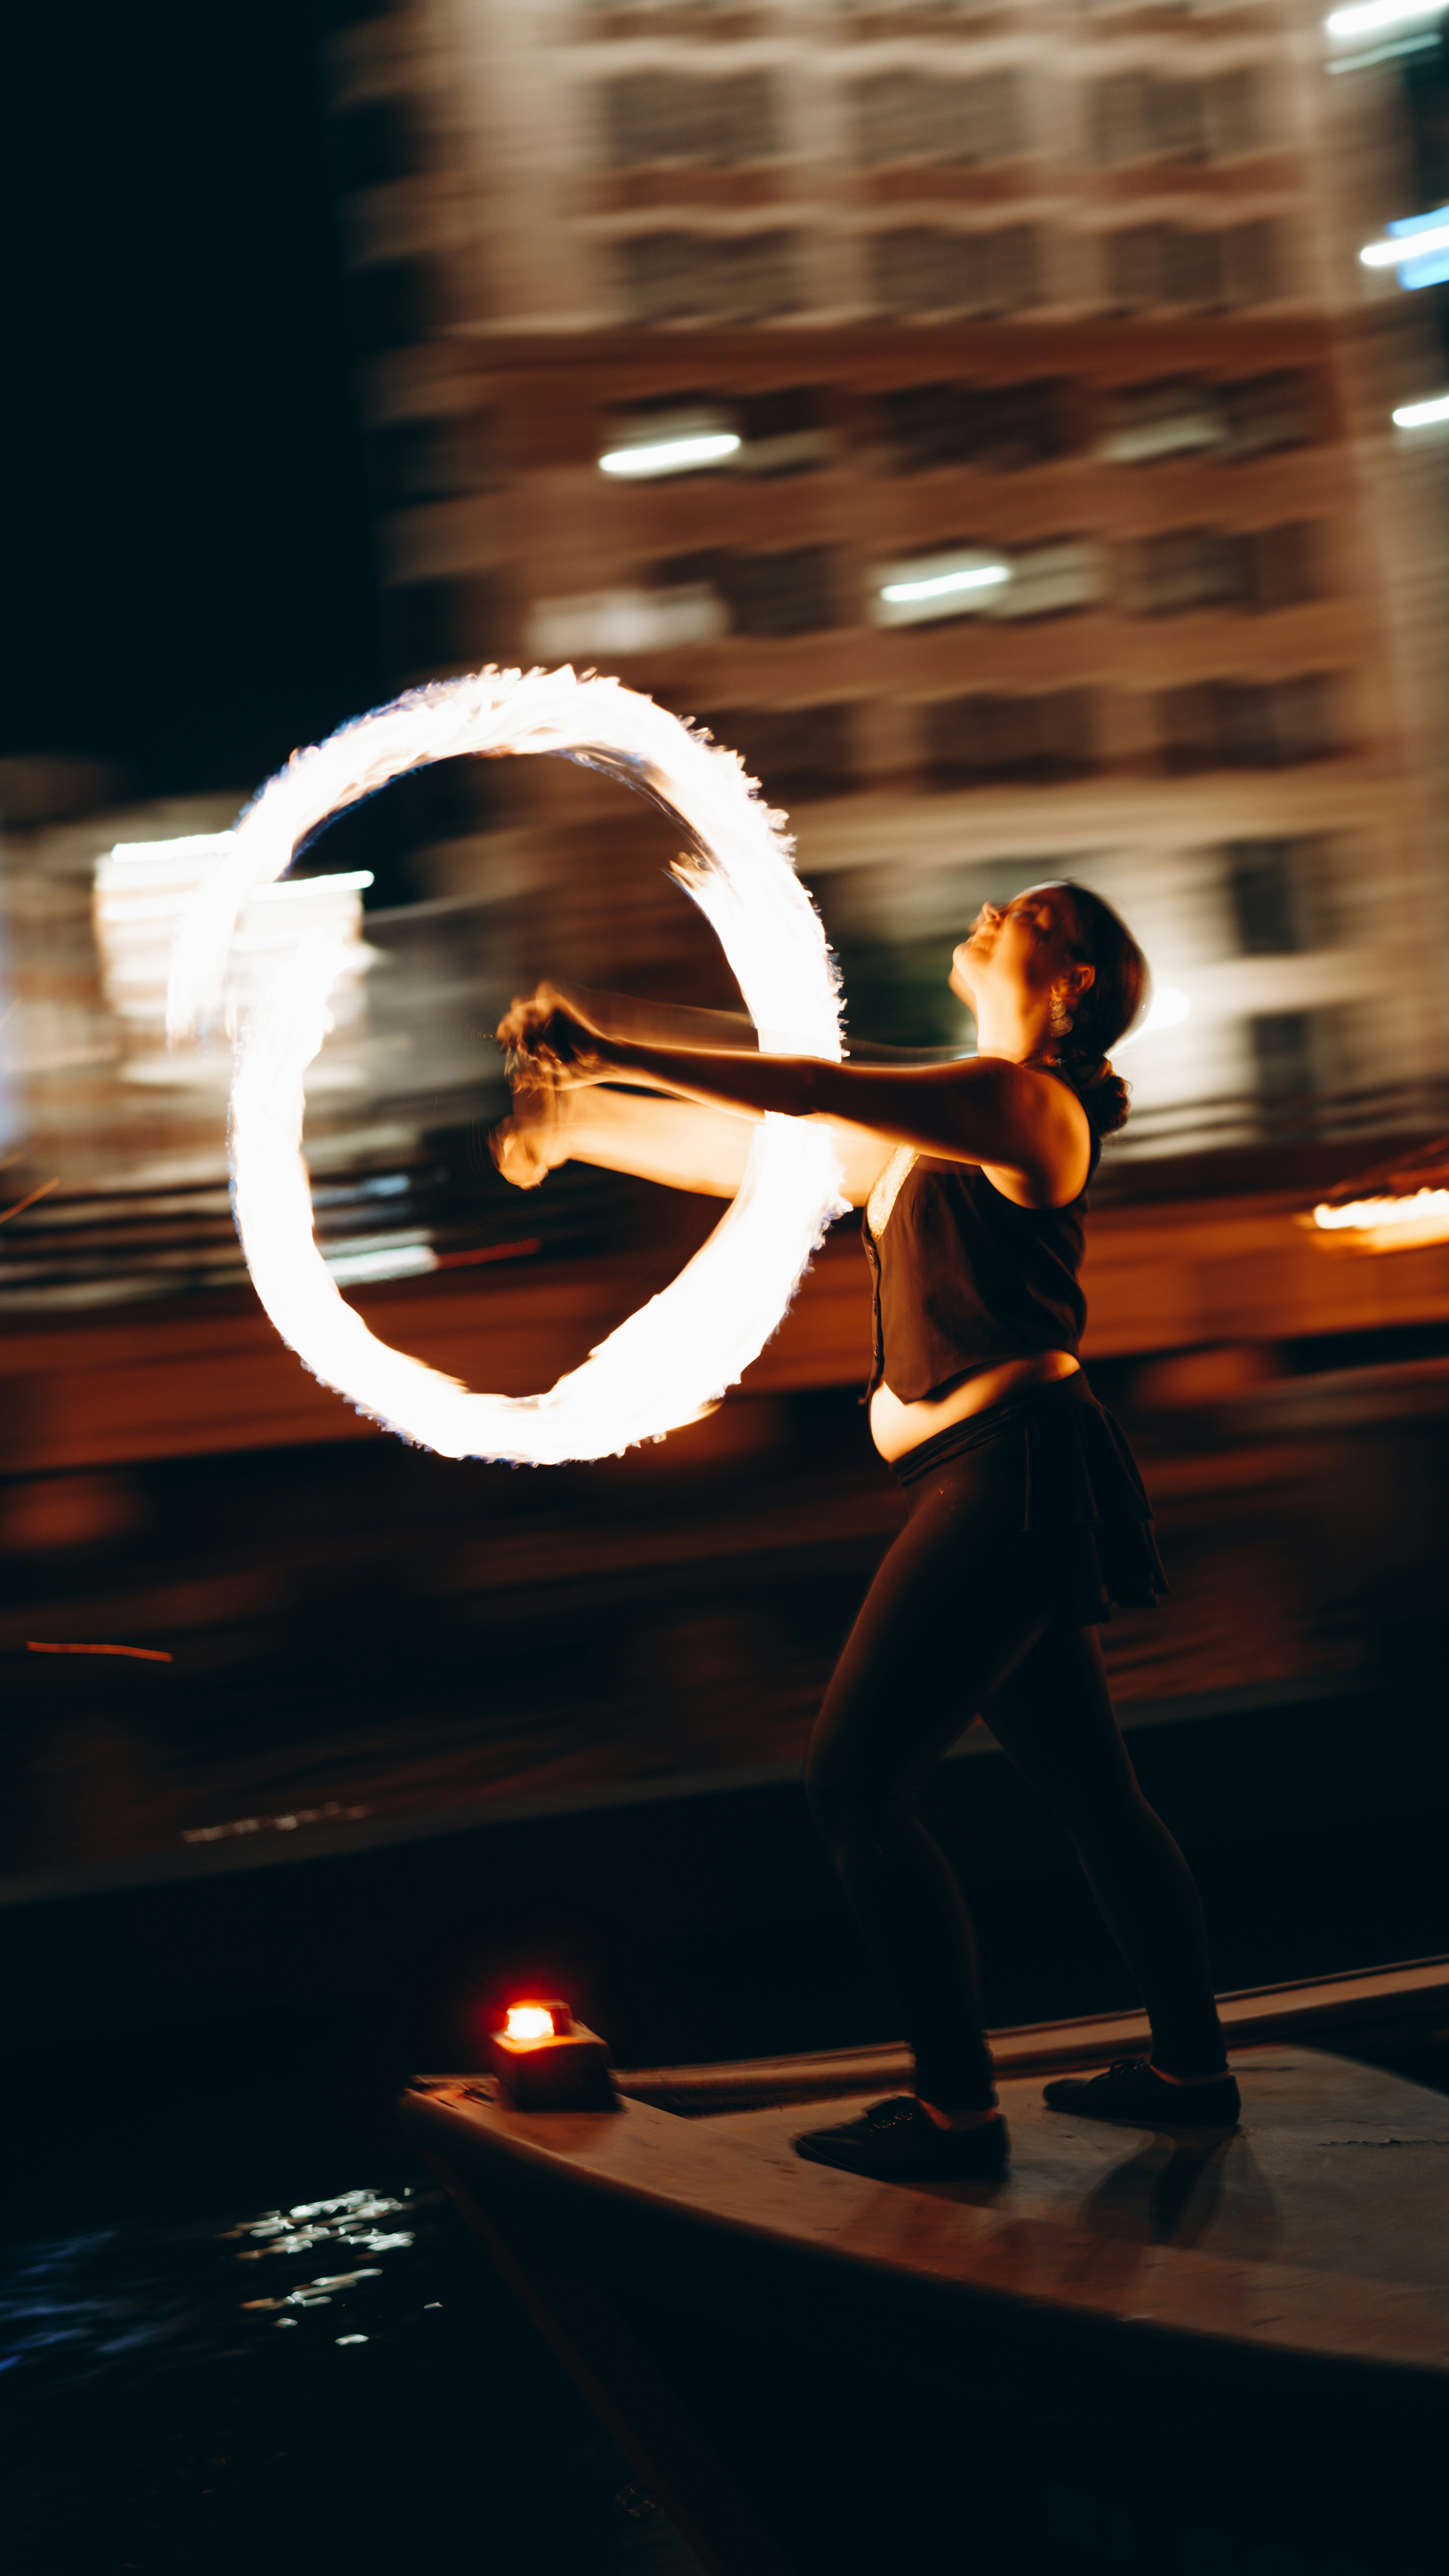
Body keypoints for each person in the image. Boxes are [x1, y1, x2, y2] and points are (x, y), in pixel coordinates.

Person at [494, 882, 1239, 2182]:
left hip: (1006, 1475)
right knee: (1090, 1792)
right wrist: (582, 1119)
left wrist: (610, 1043)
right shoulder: (932, 1132)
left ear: (1068, 986)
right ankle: (1189, 2075)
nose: (997, 904)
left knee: (853, 1784)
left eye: (1034, 910)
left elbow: (806, 1088)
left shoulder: (1028, 1107)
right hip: (987, 1475)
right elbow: (750, 1152)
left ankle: (956, 2115)